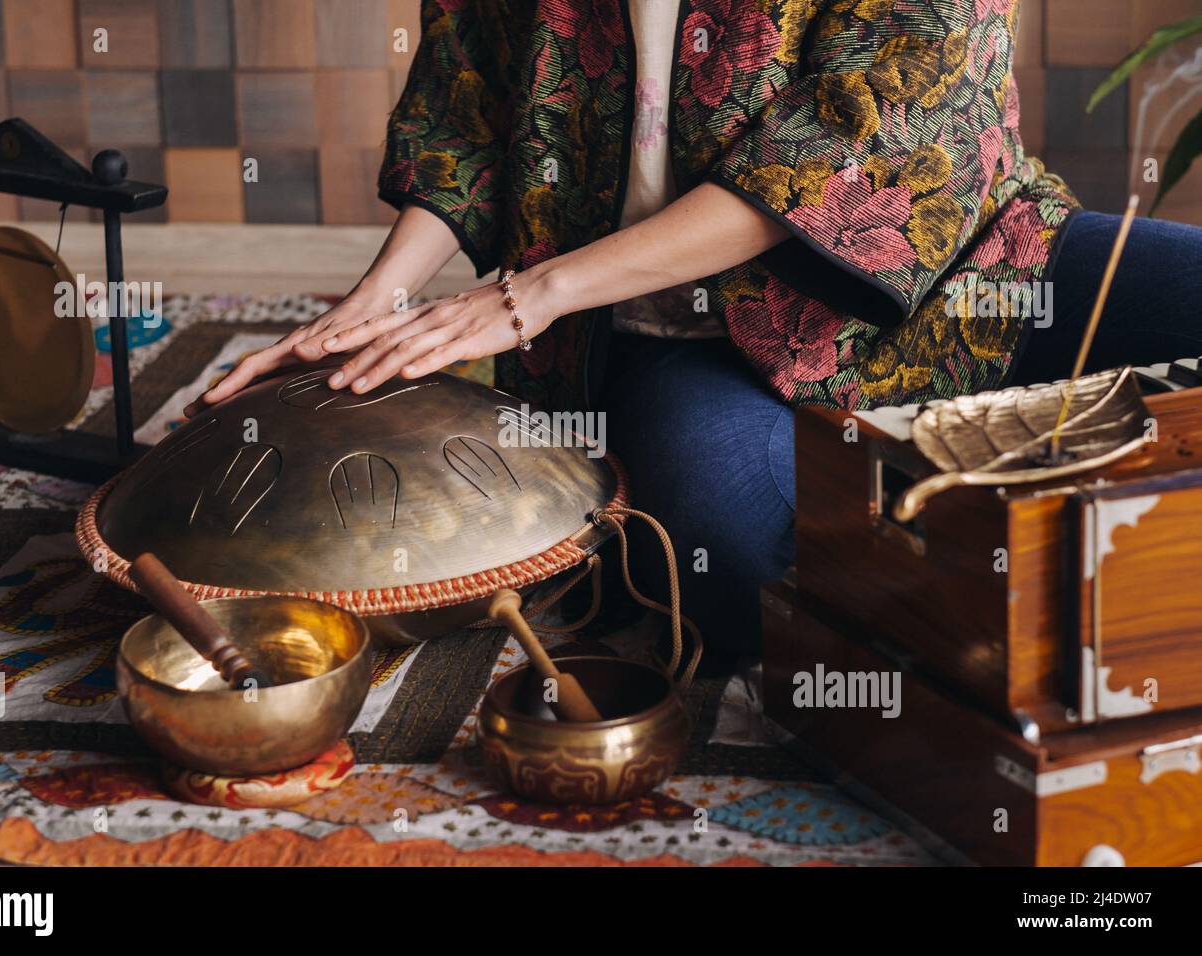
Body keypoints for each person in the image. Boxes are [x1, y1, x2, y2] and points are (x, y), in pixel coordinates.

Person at [190, 1, 1202, 660]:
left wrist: (527, 294)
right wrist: (382, 297)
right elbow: (467, 111)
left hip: (976, 277)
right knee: (734, 568)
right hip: (692, 338)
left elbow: (853, 145)